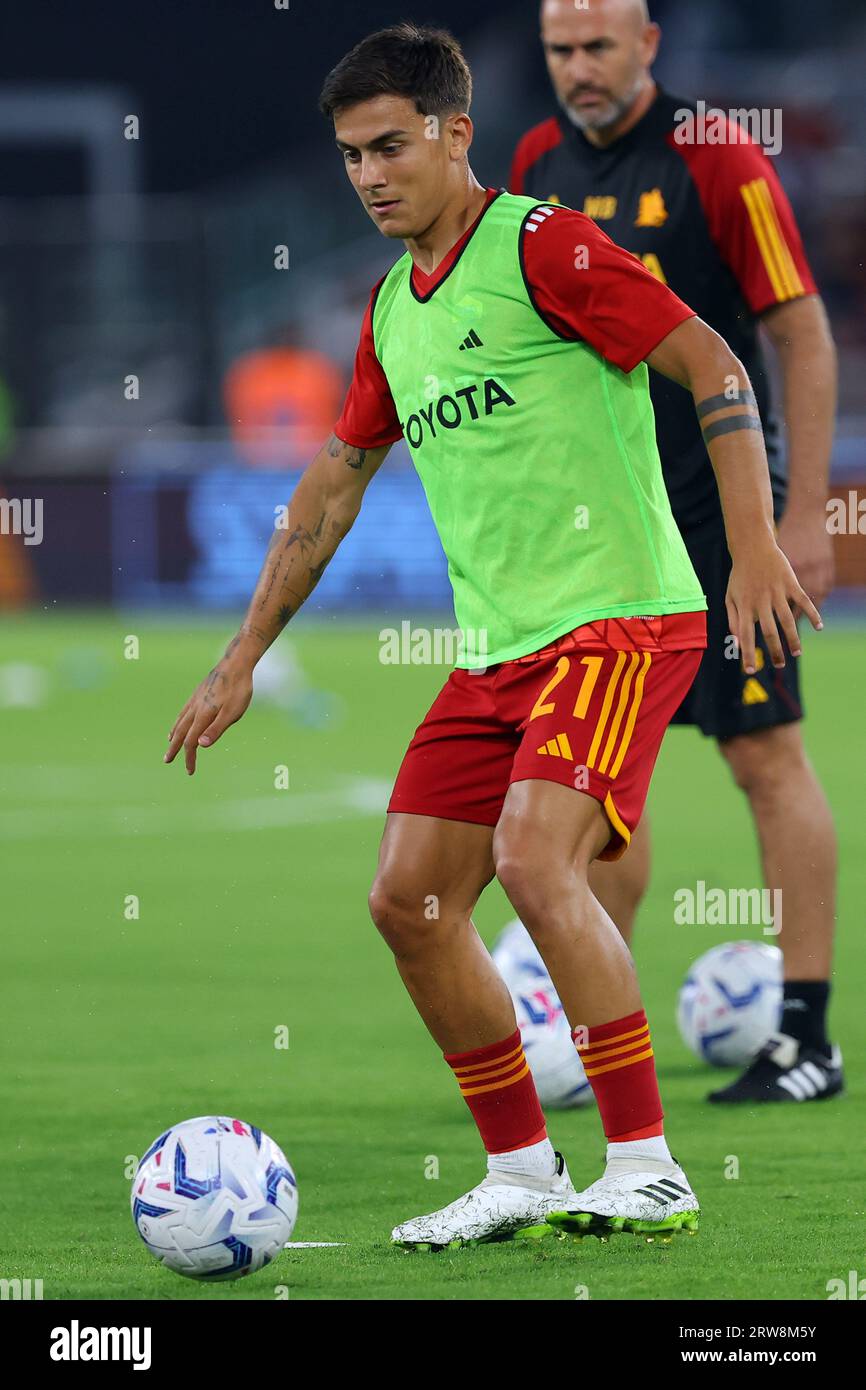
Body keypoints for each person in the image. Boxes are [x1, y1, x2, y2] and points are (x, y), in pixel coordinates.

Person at [165, 23, 821, 1246]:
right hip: (496, 651)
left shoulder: (544, 245)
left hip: (618, 619)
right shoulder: (389, 313)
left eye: (390, 147)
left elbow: (716, 363)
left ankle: (646, 1164)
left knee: (533, 856)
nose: (368, 175)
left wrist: (753, 547)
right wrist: (241, 653)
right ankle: (518, 1170)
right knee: (407, 901)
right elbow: (328, 488)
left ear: (455, 134)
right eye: (351, 156)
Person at [510, 0, 841, 1104]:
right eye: (559, 50)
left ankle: (804, 1037)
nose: (577, 69)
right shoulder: (531, 159)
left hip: (719, 514)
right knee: (604, 787)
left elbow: (794, 327)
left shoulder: (715, 154)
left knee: (762, 756)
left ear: (647, 46)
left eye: (598, 46)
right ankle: (608, 1039)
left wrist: (799, 520)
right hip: (601, 527)